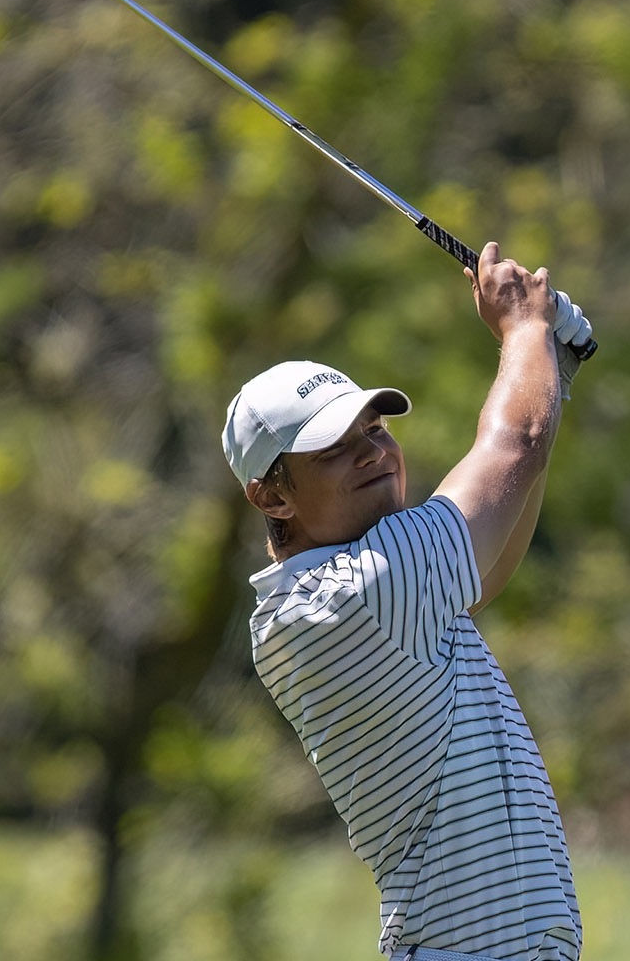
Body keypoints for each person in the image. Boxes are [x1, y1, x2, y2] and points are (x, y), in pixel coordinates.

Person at [221, 242, 594, 961]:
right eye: (333, 447)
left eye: (375, 428)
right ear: (271, 495)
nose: (372, 452)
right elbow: (515, 441)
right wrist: (523, 332)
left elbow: (487, 565)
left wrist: (551, 368)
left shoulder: (341, 598)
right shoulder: (356, 595)